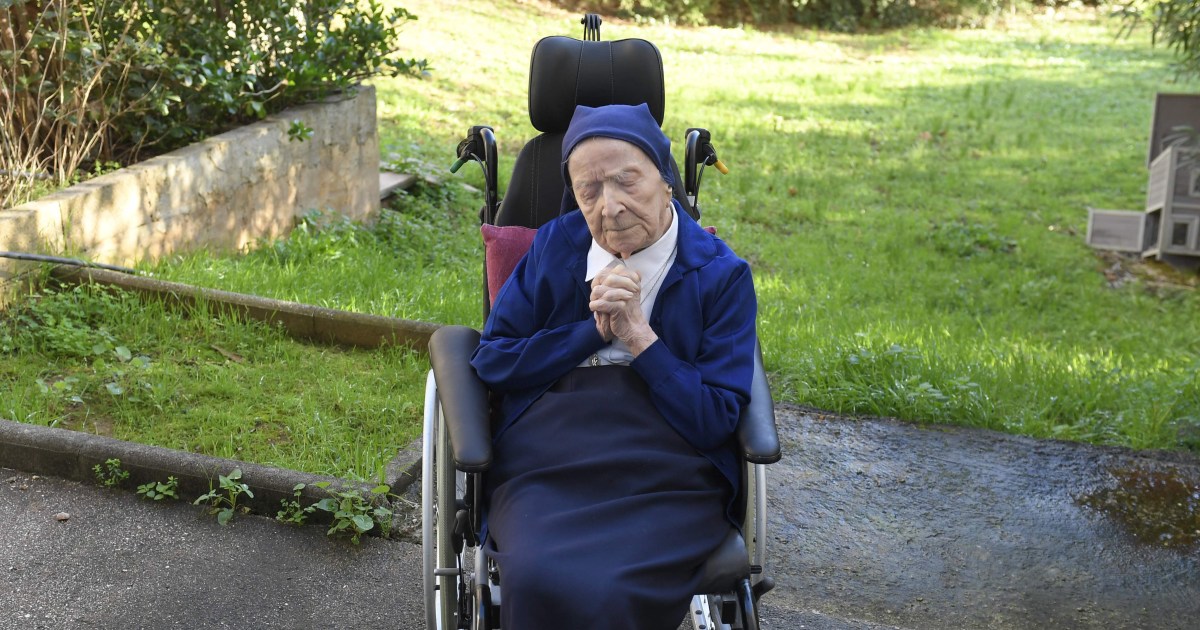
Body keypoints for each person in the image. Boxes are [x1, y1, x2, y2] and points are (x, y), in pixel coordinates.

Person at [470, 102, 757, 629]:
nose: (612, 207)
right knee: (536, 574)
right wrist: (592, 331)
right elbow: (494, 359)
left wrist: (641, 337)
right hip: (548, 459)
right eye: (589, 191)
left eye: (629, 181)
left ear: (665, 180)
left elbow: (715, 418)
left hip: (670, 467)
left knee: (612, 586)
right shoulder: (556, 246)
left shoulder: (720, 275)